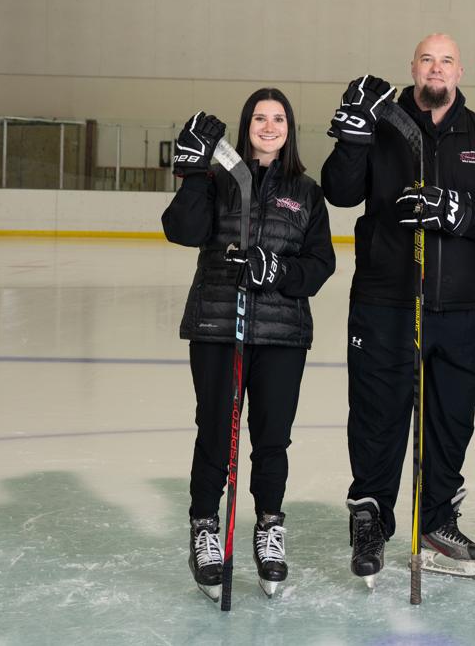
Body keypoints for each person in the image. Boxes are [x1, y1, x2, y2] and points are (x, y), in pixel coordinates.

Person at [321, 34, 475, 583]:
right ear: (413, 68)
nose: (437, 69)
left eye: (447, 60)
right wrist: (354, 134)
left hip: (460, 310)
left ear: (460, 70)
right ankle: (371, 518)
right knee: (377, 417)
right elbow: (338, 190)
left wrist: (456, 211)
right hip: (386, 302)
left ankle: (435, 521)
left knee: (450, 422)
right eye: (427, 60)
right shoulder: (384, 124)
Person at [161, 88, 335, 600]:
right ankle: (204, 528)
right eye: (259, 117)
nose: (268, 125)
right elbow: (181, 229)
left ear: (290, 129)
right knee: (215, 430)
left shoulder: (305, 192)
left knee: (272, 438)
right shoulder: (217, 181)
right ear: (246, 125)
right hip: (218, 327)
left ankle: (268, 528)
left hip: (281, 336)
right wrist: (193, 170)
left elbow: (320, 265)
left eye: (278, 118)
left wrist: (276, 269)